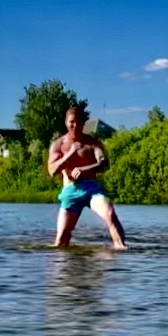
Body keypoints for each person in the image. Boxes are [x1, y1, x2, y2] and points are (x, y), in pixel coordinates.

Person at [47, 105, 127, 249]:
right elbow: (52, 170)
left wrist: (84, 170)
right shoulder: (58, 145)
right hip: (70, 191)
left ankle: (121, 249)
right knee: (61, 241)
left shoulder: (92, 143)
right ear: (66, 122)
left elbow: (104, 164)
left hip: (92, 189)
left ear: (83, 123)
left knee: (109, 214)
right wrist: (70, 153)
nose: (75, 125)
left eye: (78, 122)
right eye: (72, 121)